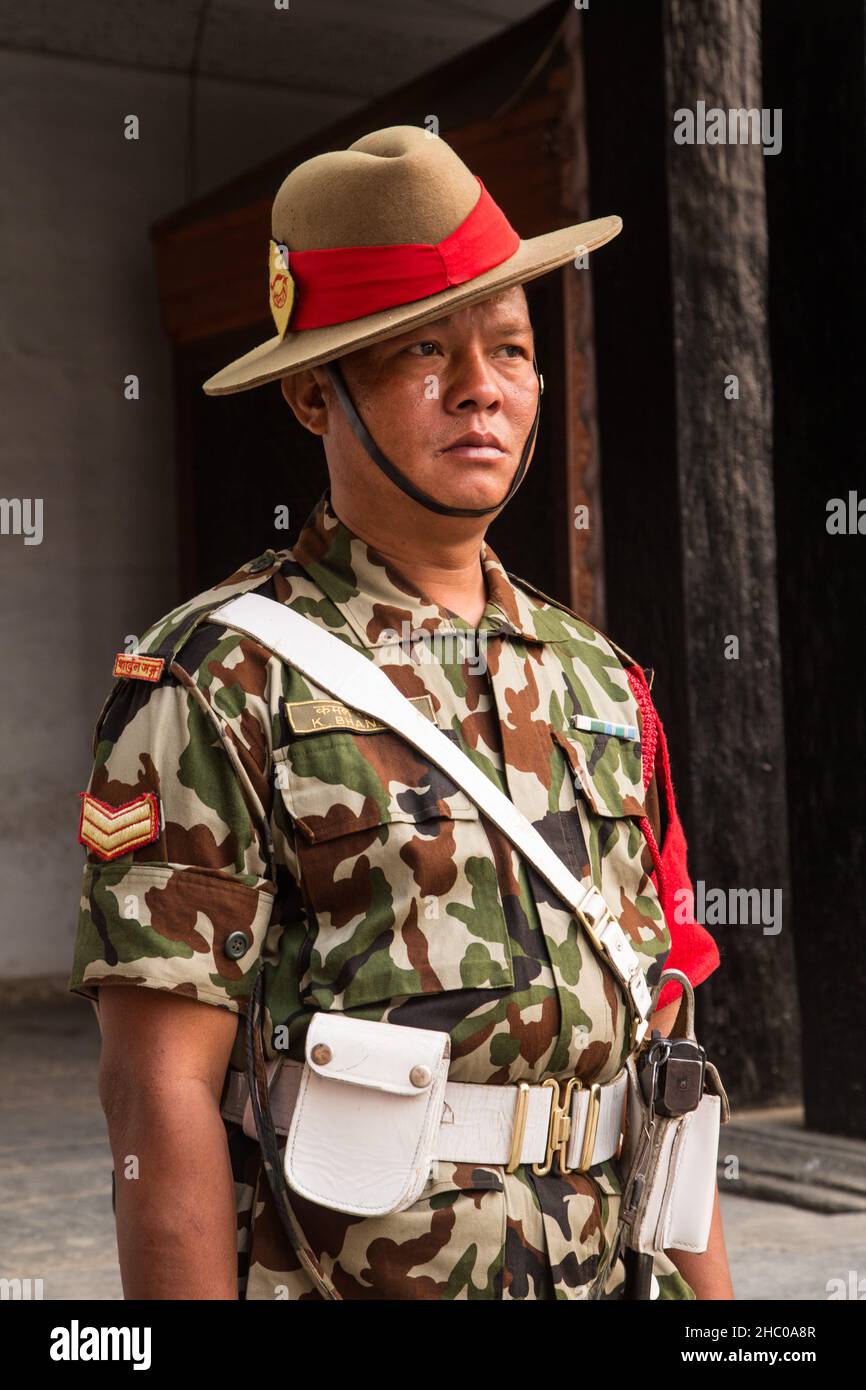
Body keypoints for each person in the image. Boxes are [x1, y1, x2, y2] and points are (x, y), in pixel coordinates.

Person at [69, 125, 731, 1300]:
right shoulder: (216, 677)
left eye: (512, 348)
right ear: (314, 393)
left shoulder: (601, 681)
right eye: (423, 350)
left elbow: (664, 1061)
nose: (482, 386)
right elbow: (158, 1090)